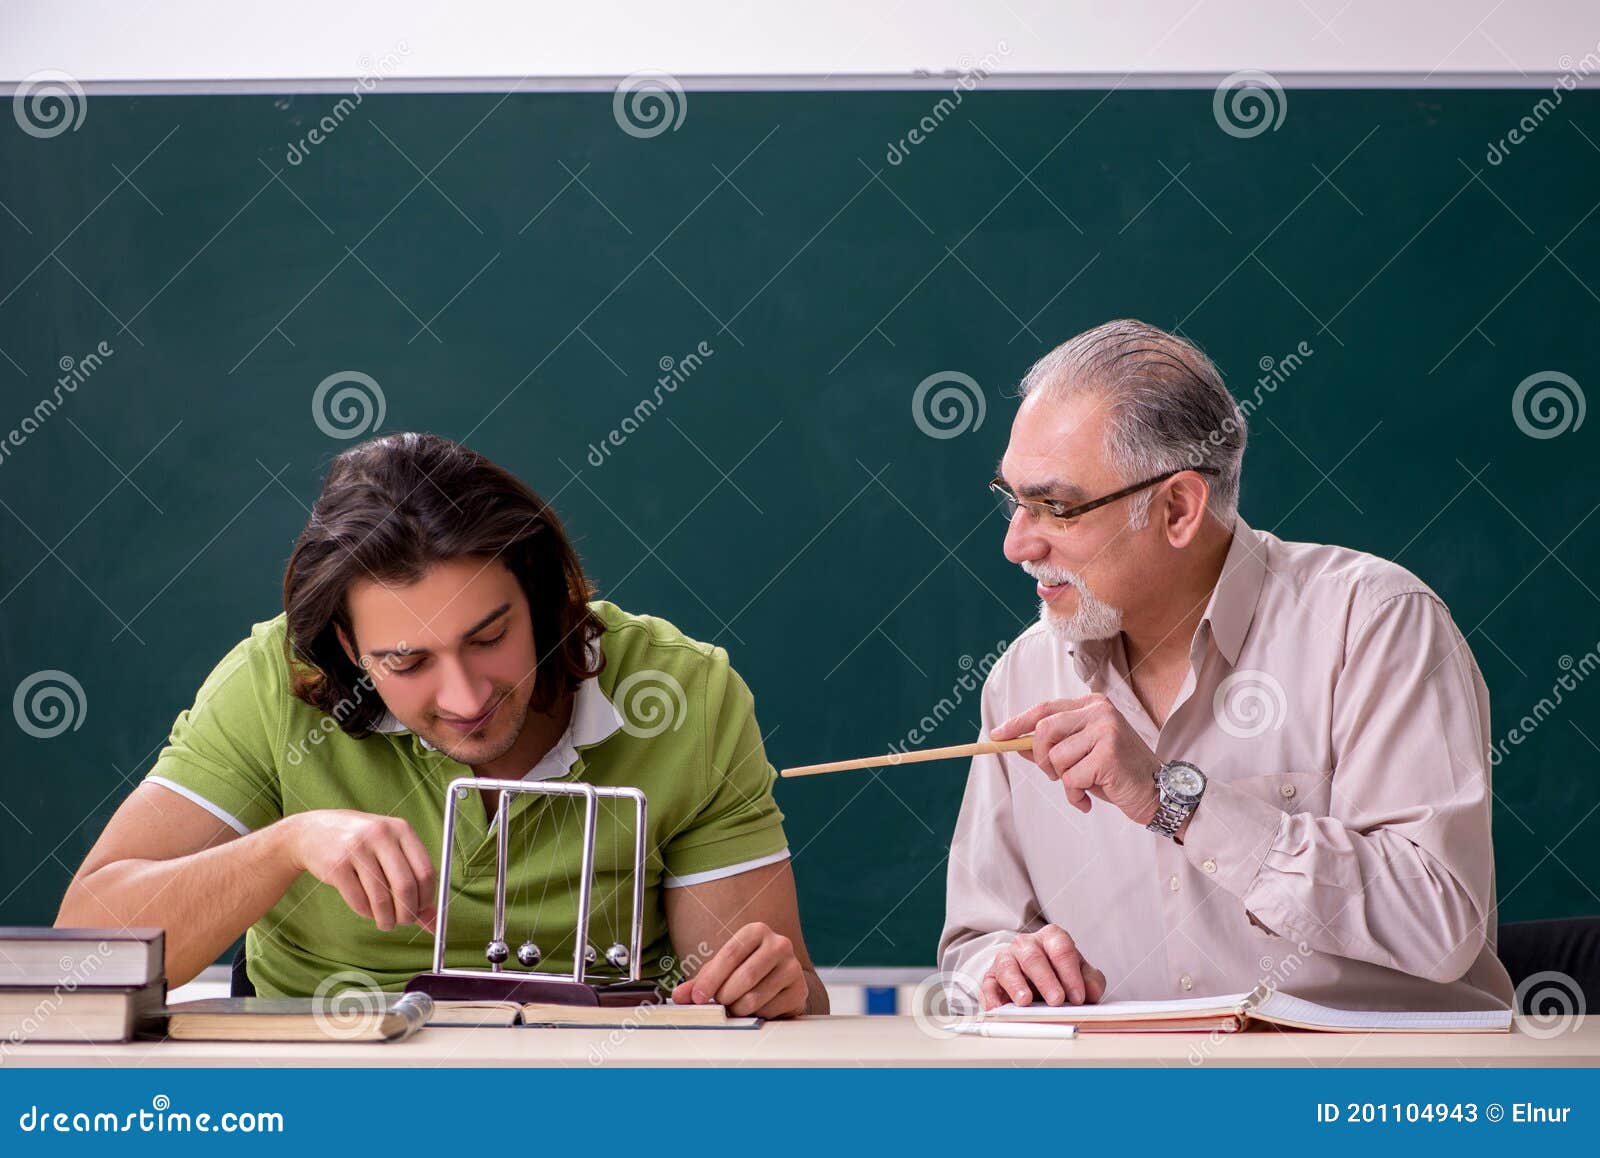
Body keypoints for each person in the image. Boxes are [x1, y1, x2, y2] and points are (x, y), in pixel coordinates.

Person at [59, 432, 826, 1018]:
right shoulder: (277, 683)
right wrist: (284, 846)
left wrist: (770, 988)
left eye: (490, 639)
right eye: (406, 660)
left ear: (549, 599)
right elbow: (82, 958)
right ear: (348, 649)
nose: (463, 697)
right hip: (325, 1094)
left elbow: (784, 997)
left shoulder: (681, 693)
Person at [939, 319, 1514, 1014]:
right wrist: (1003, 966)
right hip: (1134, 1103)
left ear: (1178, 507)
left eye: (1056, 508)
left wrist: (1174, 798)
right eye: (1012, 501)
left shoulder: (1374, 623)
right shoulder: (1024, 676)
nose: (1016, 544)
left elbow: (1441, 923)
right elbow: (975, 940)